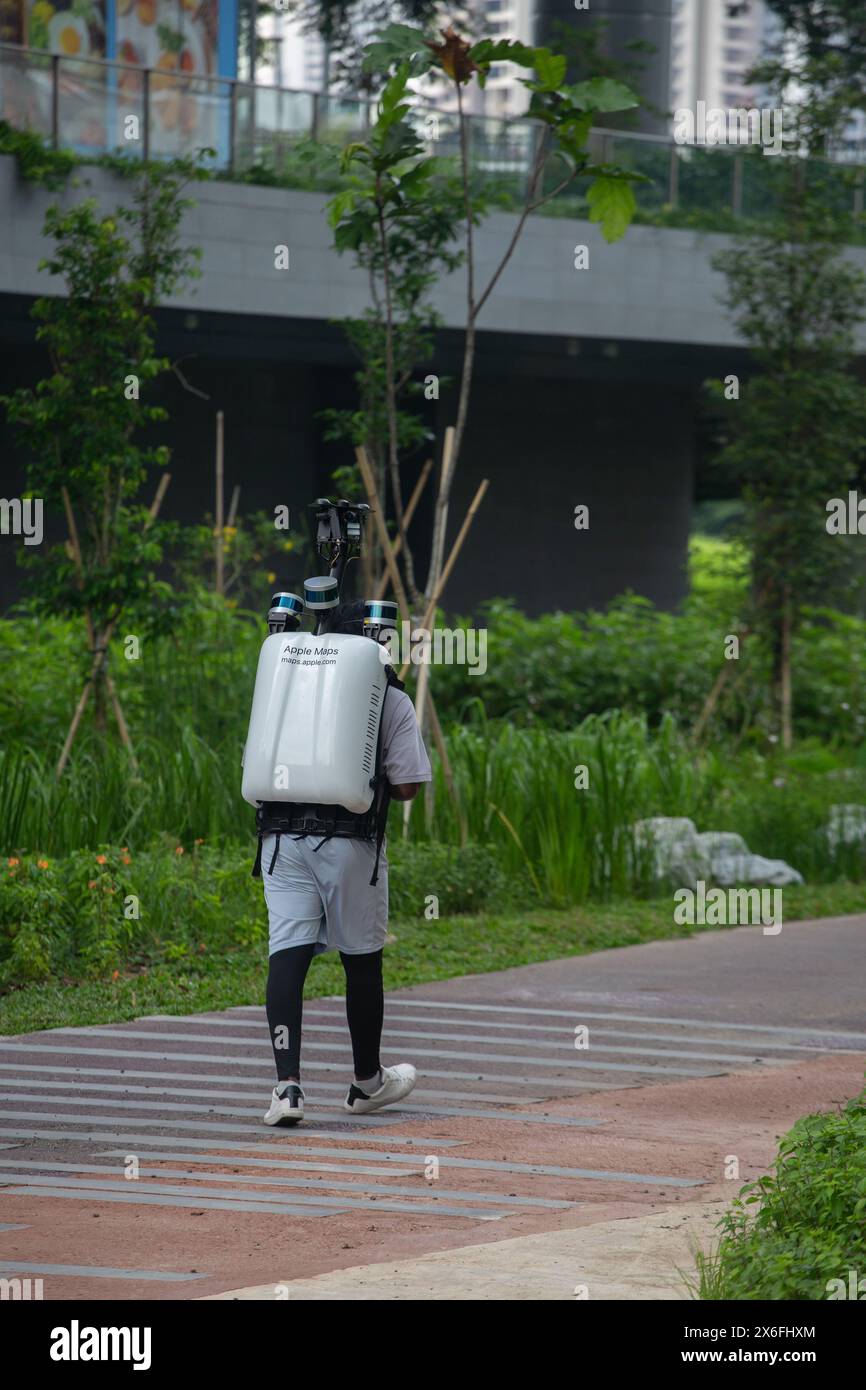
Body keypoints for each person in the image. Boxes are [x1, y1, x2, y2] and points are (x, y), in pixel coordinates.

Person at [258, 600, 432, 1126]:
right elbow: (404, 786)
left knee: (287, 955)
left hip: (280, 840)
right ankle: (366, 1083)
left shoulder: (286, 681)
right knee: (361, 960)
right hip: (351, 842)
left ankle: (287, 1087)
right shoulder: (390, 696)